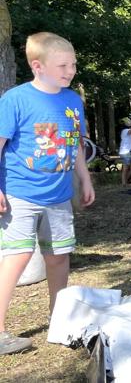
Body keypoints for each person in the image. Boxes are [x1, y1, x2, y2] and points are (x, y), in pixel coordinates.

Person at [0, 32, 95, 355]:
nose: (70, 71)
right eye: (62, 65)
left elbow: (75, 144)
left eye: (73, 65)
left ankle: (59, 318)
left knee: (58, 257)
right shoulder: (15, 100)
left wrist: (85, 179)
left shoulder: (72, 100)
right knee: (17, 257)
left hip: (59, 196)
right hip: (20, 194)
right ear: (37, 66)